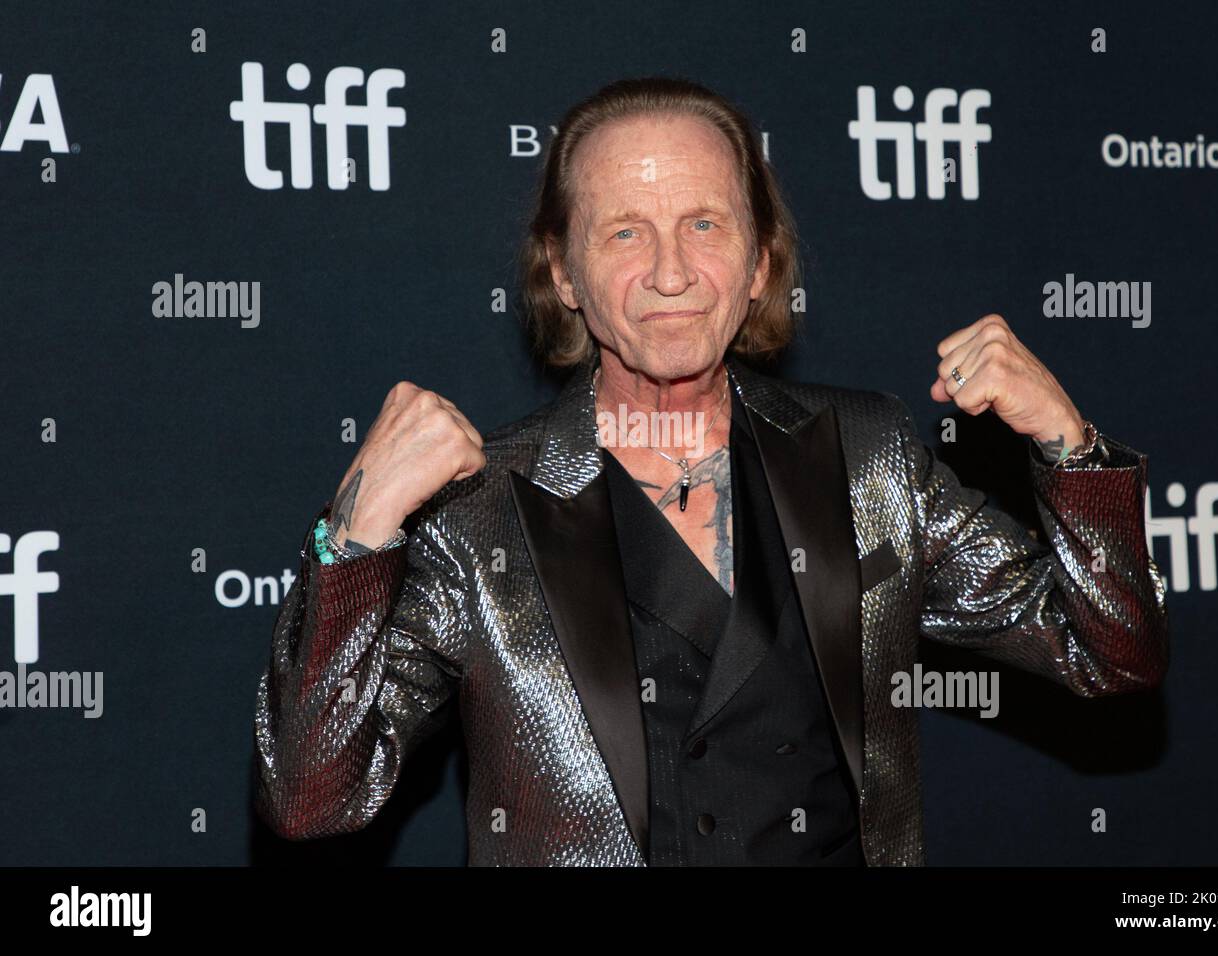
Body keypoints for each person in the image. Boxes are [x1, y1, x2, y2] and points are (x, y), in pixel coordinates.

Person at [253, 76, 1169, 866]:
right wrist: (358, 530)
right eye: (622, 233)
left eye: (704, 222)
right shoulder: (480, 510)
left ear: (761, 258)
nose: (670, 272)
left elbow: (1112, 654)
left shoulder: (868, 458)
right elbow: (310, 799)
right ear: (561, 273)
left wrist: (1068, 441)